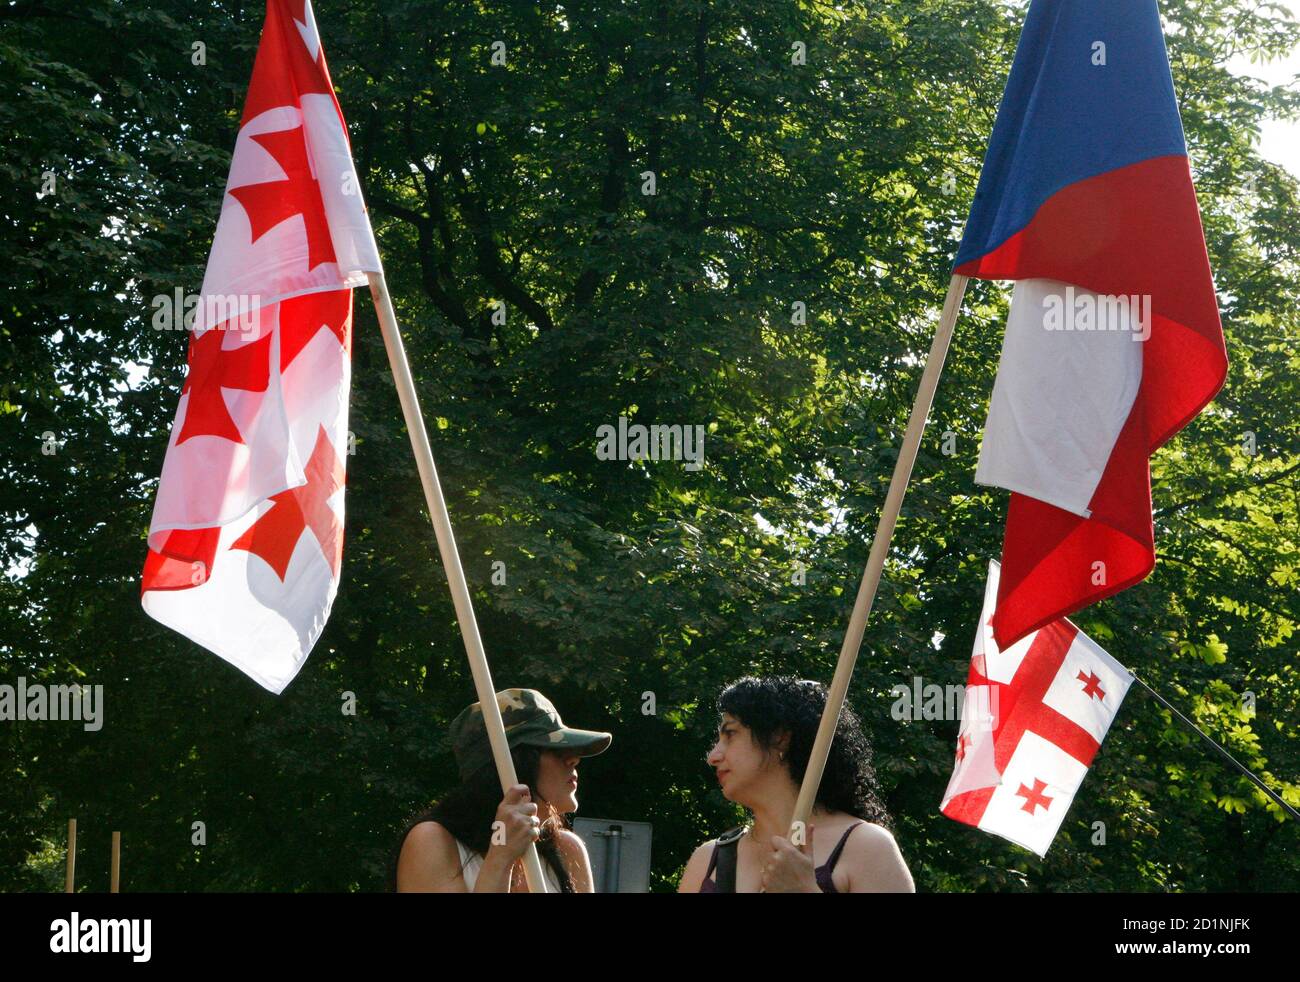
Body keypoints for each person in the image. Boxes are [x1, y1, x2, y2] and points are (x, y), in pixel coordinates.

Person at [678, 675, 915, 893]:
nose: (713, 756)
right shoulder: (707, 860)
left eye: (730, 734)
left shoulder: (866, 846)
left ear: (780, 737)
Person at [393, 688, 611, 892]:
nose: (574, 760)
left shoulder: (567, 850)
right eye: (555, 750)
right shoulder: (433, 842)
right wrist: (501, 855)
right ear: (513, 762)